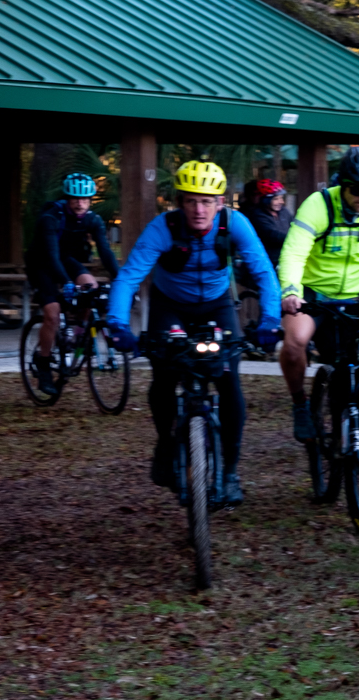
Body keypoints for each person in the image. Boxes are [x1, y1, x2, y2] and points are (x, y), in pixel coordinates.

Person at [104, 161, 282, 506]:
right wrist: (117, 323)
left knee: (230, 384)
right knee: (164, 376)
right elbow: (128, 277)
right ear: (180, 203)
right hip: (170, 305)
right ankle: (166, 443)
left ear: (220, 203)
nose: (199, 210)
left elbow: (264, 273)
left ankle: (229, 472)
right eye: (191, 201)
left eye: (207, 201)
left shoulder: (236, 224)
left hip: (217, 304)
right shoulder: (163, 228)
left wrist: (270, 321)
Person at [276, 147, 359, 443]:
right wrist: (291, 291)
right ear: (342, 184)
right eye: (357, 189)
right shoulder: (319, 205)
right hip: (316, 297)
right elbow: (294, 253)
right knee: (294, 343)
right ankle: (300, 403)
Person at [26, 172, 119, 391]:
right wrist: (67, 283)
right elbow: (50, 256)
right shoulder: (51, 217)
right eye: (75, 199)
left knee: (91, 289)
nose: (80, 203)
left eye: (85, 199)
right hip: (42, 263)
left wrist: (121, 280)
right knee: (52, 314)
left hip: (66, 260)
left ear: (90, 200)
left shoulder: (92, 220)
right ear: (67, 198)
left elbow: (105, 253)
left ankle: (77, 335)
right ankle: (44, 363)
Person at [240, 178, 291, 267]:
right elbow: (273, 235)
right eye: (276, 199)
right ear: (266, 200)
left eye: (281, 198)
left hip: (286, 257)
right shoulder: (257, 215)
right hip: (268, 262)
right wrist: (295, 238)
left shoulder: (284, 211)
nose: (281, 202)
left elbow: (294, 225)